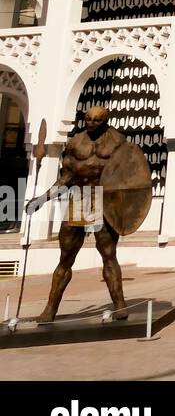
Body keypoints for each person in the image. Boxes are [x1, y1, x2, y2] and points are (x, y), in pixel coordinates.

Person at [24, 107, 135, 321]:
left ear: (104, 121)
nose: (91, 123)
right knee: (65, 258)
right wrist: (41, 199)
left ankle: (119, 303)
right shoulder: (75, 143)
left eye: (96, 120)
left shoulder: (118, 141)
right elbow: (65, 179)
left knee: (109, 255)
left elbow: (130, 176)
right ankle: (50, 309)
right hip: (80, 199)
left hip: (105, 201)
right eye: (88, 119)